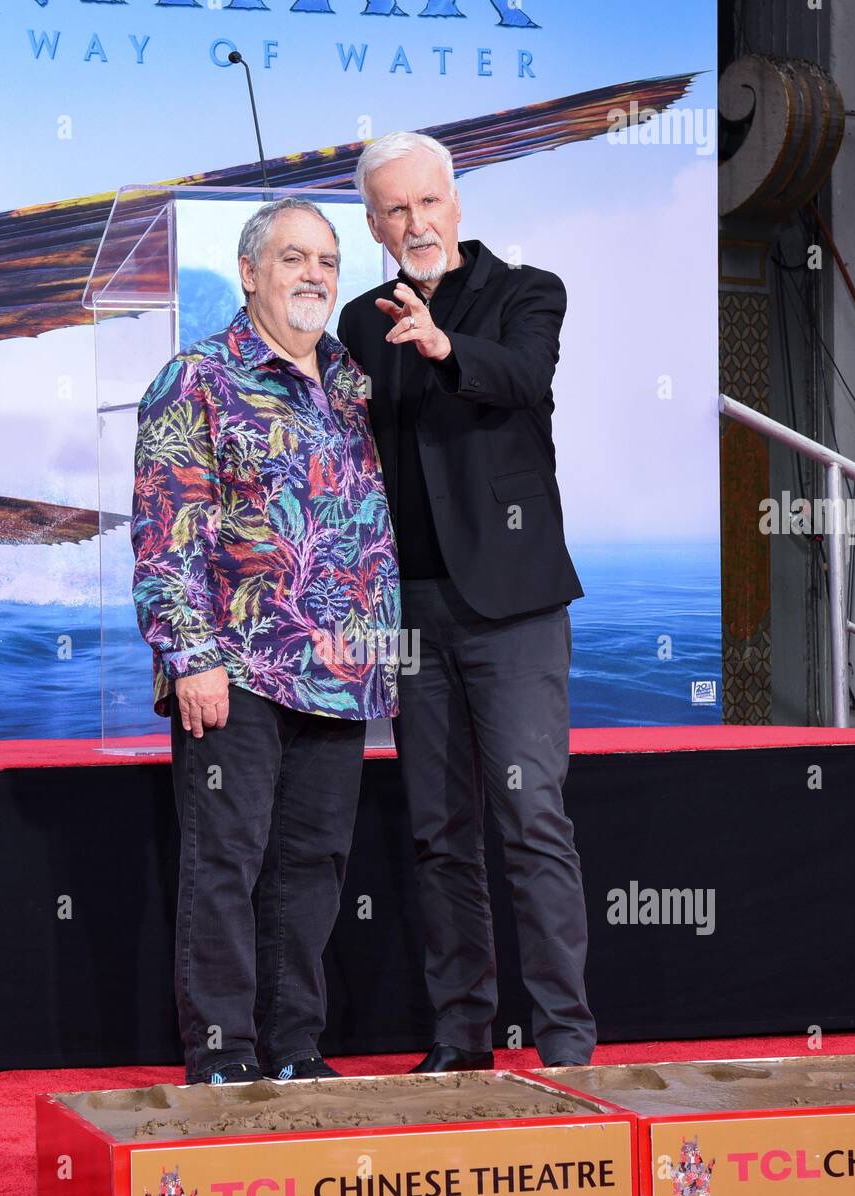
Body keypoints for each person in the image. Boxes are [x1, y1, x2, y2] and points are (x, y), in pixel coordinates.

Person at [337, 131, 596, 1073]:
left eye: (429, 203)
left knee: (532, 822)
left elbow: (523, 377)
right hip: (408, 612)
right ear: (372, 223)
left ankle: (566, 1043)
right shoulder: (361, 322)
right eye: (395, 210)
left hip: (514, 605)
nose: (416, 223)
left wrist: (445, 344)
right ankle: (460, 1038)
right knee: (438, 833)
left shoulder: (529, 292)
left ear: (458, 204)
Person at [132, 197, 400, 1084]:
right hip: (237, 671)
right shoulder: (195, 378)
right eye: (293, 257)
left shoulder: (354, 383)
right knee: (226, 869)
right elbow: (167, 534)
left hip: (342, 673)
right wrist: (191, 656)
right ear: (250, 273)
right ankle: (222, 1058)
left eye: (326, 258)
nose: (314, 274)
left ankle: (292, 1050)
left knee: (310, 874)